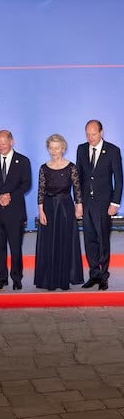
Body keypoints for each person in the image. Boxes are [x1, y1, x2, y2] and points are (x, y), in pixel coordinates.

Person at [0, 130, 32, 291]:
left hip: (15, 210)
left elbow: (26, 184)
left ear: (12, 142)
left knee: (16, 247)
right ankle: (1, 278)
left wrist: (10, 195)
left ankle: (17, 278)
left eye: (3, 143)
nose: (0, 146)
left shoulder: (23, 161)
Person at [77, 120, 123, 291]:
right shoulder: (81, 149)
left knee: (103, 239)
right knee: (89, 240)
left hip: (105, 204)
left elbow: (118, 180)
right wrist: (78, 202)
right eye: (87, 134)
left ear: (101, 132)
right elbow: (79, 178)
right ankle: (94, 274)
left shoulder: (113, 150)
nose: (90, 137)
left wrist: (115, 203)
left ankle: (104, 276)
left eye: (94, 134)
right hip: (87, 204)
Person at [34, 134, 83, 291]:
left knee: (65, 241)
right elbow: (40, 192)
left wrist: (79, 207)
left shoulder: (71, 167)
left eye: (57, 148)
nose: (54, 151)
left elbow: (77, 191)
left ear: (63, 148)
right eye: (51, 148)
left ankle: (64, 278)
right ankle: (49, 279)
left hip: (65, 208)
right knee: (49, 243)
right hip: (48, 208)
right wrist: (40, 211)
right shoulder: (44, 168)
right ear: (48, 148)